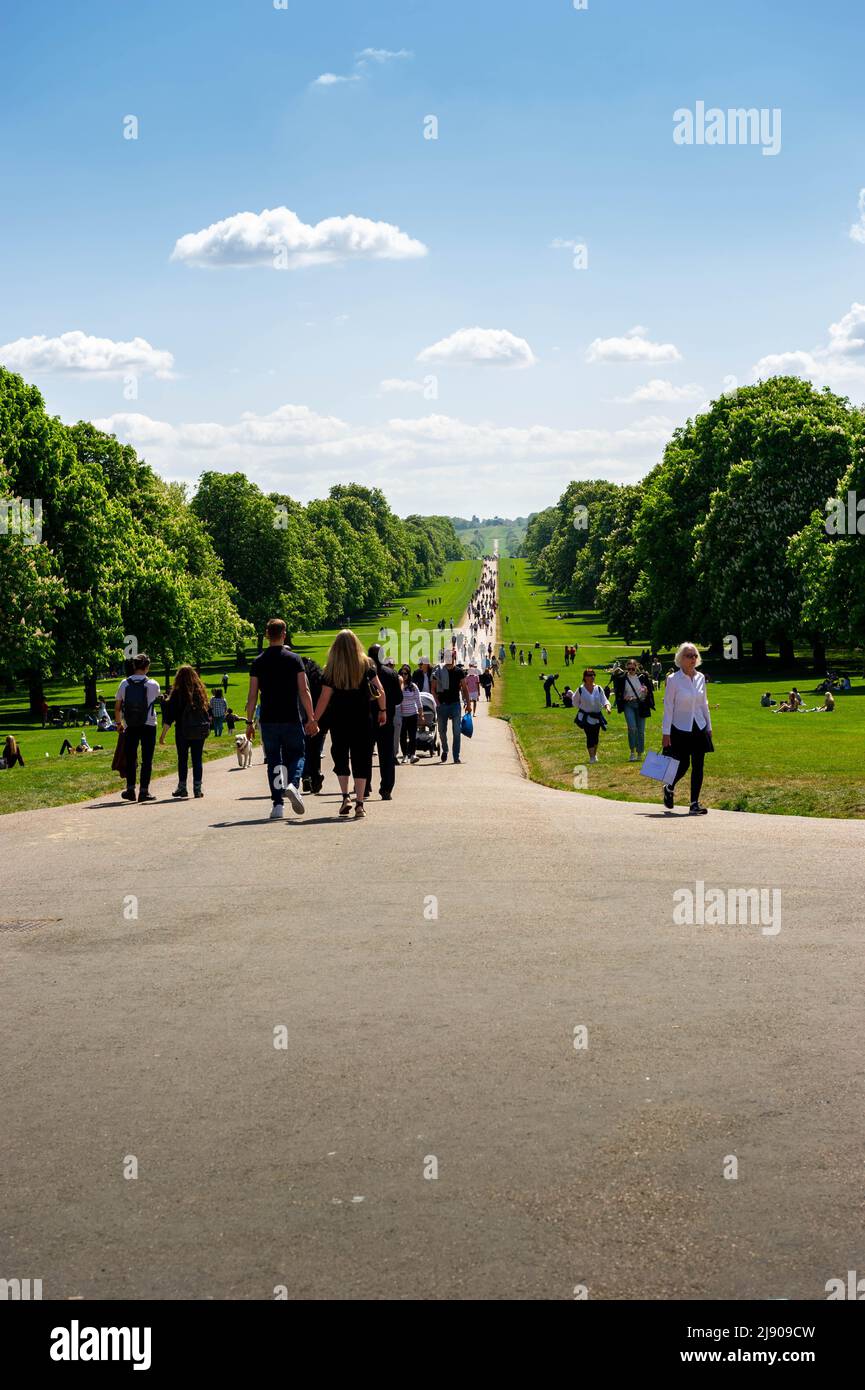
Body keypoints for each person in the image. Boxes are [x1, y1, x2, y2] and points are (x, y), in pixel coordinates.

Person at [246, 618, 318, 821]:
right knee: (297, 753)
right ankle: (293, 784)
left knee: (274, 760)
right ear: (284, 634)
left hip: (268, 718)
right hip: (291, 717)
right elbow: (304, 690)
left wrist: (250, 722)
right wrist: (311, 718)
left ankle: (277, 804)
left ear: (267, 635)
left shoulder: (258, 662)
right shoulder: (294, 659)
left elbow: (252, 696)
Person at [313, 630, 385, 819]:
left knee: (341, 757)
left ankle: (345, 797)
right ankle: (360, 803)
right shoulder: (366, 665)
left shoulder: (331, 669)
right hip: (362, 718)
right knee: (362, 759)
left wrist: (314, 719)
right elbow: (380, 691)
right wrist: (383, 711)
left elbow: (324, 698)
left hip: (339, 719)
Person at [661, 642, 714, 814]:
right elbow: (668, 707)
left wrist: (709, 726)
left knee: (699, 765)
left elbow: (704, 704)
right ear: (680, 659)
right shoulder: (673, 680)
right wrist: (666, 733)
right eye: (688, 656)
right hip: (680, 727)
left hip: (699, 725)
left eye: (694, 656)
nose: (692, 659)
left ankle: (694, 803)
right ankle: (669, 787)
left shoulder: (700, 678)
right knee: (682, 764)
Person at [159, 664, 212, 799]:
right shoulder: (200, 692)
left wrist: (163, 735)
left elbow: (169, 717)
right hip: (199, 730)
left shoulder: (177, 693)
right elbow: (208, 712)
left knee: (182, 759)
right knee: (197, 759)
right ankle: (197, 789)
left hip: (182, 730)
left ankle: (182, 787)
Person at [115, 654, 162, 802]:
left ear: (134, 666)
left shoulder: (124, 683)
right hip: (148, 724)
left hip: (130, 724)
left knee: (130, 757)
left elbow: (117, 707)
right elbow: (156, 698)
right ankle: (144, 791)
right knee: (147, 759)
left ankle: (130, 789)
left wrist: (118, 724)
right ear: (147, 667)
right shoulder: (153, 684)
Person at [368, 644, 401, 800]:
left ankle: (365, 785)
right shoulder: (391, 674)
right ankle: (386, 787)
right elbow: (399, 698)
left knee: (365, 753)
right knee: (386, 754)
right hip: (386, 718)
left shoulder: (364, 674)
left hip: (367, 718)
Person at [432, 649, 471, 764]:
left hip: (455, 704)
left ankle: (456, 756)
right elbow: (432, 689)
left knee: (457, 731)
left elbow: (465, 688)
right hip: (442, 705)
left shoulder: (459, 672)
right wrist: (437, 703)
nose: (449, 659)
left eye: (451, 657)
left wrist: (468, 704)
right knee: (442, 731)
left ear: (454, 658)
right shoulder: (438, 671)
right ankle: (445, 749)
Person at [615, 658, 654, 761]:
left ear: (636, 667)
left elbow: (649, 692)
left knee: (640, 730)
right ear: (626, 668)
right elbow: (618, 692)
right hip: (629, 705)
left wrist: (646, 692)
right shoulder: (622, 678)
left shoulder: (642, 677)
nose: (631, 670)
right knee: (632, 728)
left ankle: (640, 752)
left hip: (641, 704)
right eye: (629, 669)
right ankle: (632, 752)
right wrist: (624, 697)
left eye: (633, 668)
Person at [300, 656, 326, 795]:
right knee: (315, 750)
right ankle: (315, 776)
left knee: (304, 749)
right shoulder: (319, 678)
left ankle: (306, 776)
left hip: (303, 716)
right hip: (317, 716)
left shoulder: (300, 678)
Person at [574, 668, 611, 764]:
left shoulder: (598, 688)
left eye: (593, 675)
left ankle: (594, 754)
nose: (592, 677)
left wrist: (607, 707)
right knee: (589, 736)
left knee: (596, 737)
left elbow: (604, 700)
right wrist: (582, 709)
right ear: (585, 677)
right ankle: (591, 757)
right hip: (586, 717)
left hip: (597, 717)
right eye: (590, 675)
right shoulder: (581, 689)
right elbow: (574, 702)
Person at [397, 664, 423, 762]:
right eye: (402, 673)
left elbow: (418, 701)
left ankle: (412, 755)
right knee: (402, 736)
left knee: (412, 736)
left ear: (409, 675)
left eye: (406, 674)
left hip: (412, 714)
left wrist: (421, 715)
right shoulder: (398, 686)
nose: (404, 675)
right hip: (402, 715)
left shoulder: (413, 687)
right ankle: (404, 755)